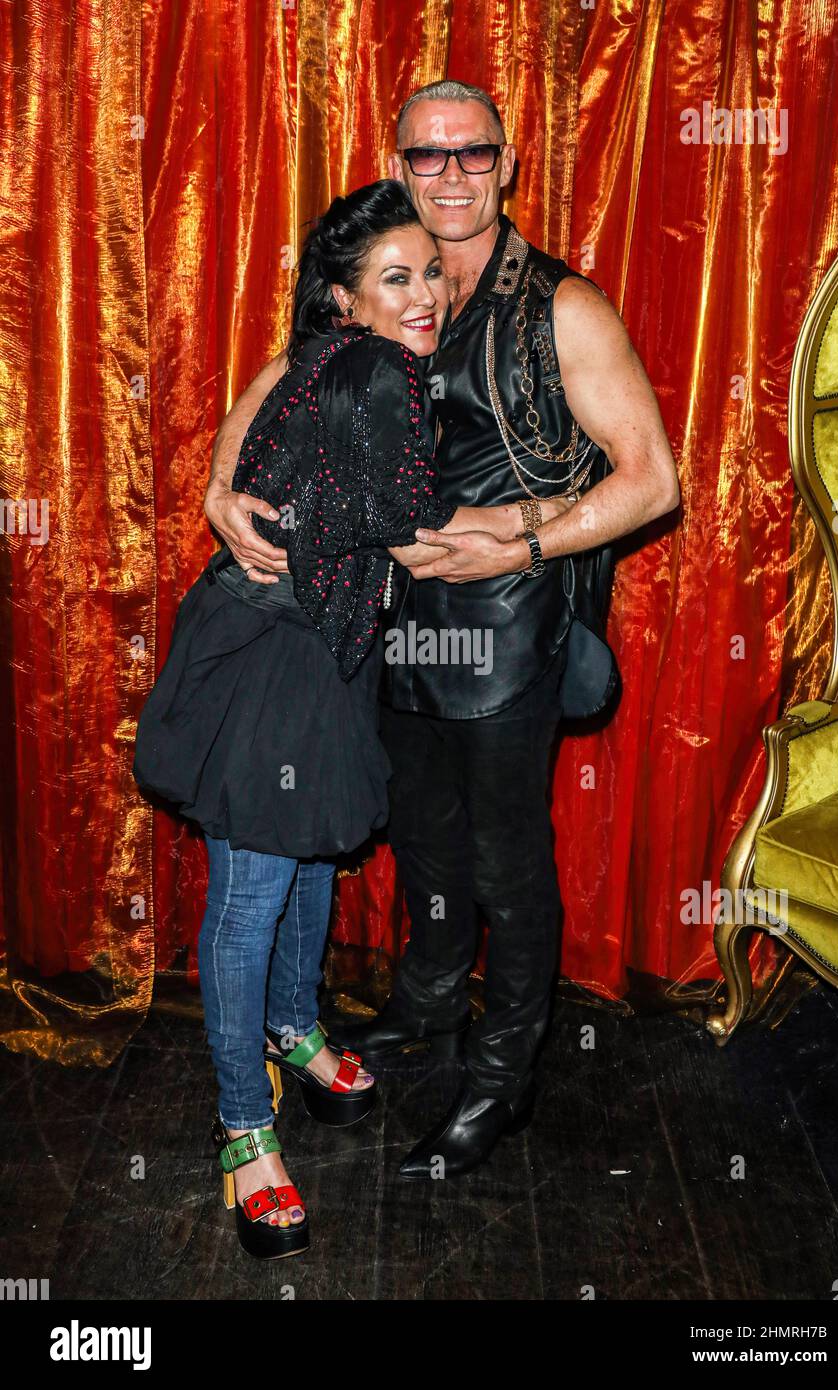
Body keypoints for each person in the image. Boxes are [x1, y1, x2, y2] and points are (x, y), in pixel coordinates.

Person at [204, 83, 680, 1182]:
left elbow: (653, 480)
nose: (452, 174)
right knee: (418, 835)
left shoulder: (562, 306)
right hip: (385, 627)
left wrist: (521, 545)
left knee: (506, 860)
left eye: (473, 154)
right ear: (401, 161)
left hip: (506, 629)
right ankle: (425, 994)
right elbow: (281, 375)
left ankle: (504, 1072)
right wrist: (221, 482)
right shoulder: (393, 277)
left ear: (508, 163)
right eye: (430, 154)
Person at [135, 177, 573, 1256]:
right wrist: (554, 511)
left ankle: (292, 1025)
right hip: (271, 656)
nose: (424, 293)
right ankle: (245, 1131)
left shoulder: (346, 356)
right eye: (396, 278)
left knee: (318, 858)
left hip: (321, 647)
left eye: (429, 272)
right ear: (343, 299)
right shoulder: (379, 369)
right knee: (253, 894)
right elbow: (414, 529)